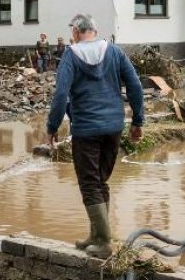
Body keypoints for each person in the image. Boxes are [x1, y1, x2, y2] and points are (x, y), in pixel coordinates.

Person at [46, 14, 145, 258]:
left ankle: (102, 242)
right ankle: (96, 235)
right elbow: (135, 86)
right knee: (101, 181)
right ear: (95, 30)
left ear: (77, 33)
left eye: (72, 33)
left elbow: (60, 95)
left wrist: (52, 127)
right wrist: (138, 121)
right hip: (113, 126)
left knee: (89, 184)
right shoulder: (115, 52)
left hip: (86, 129)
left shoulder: (70, 55)